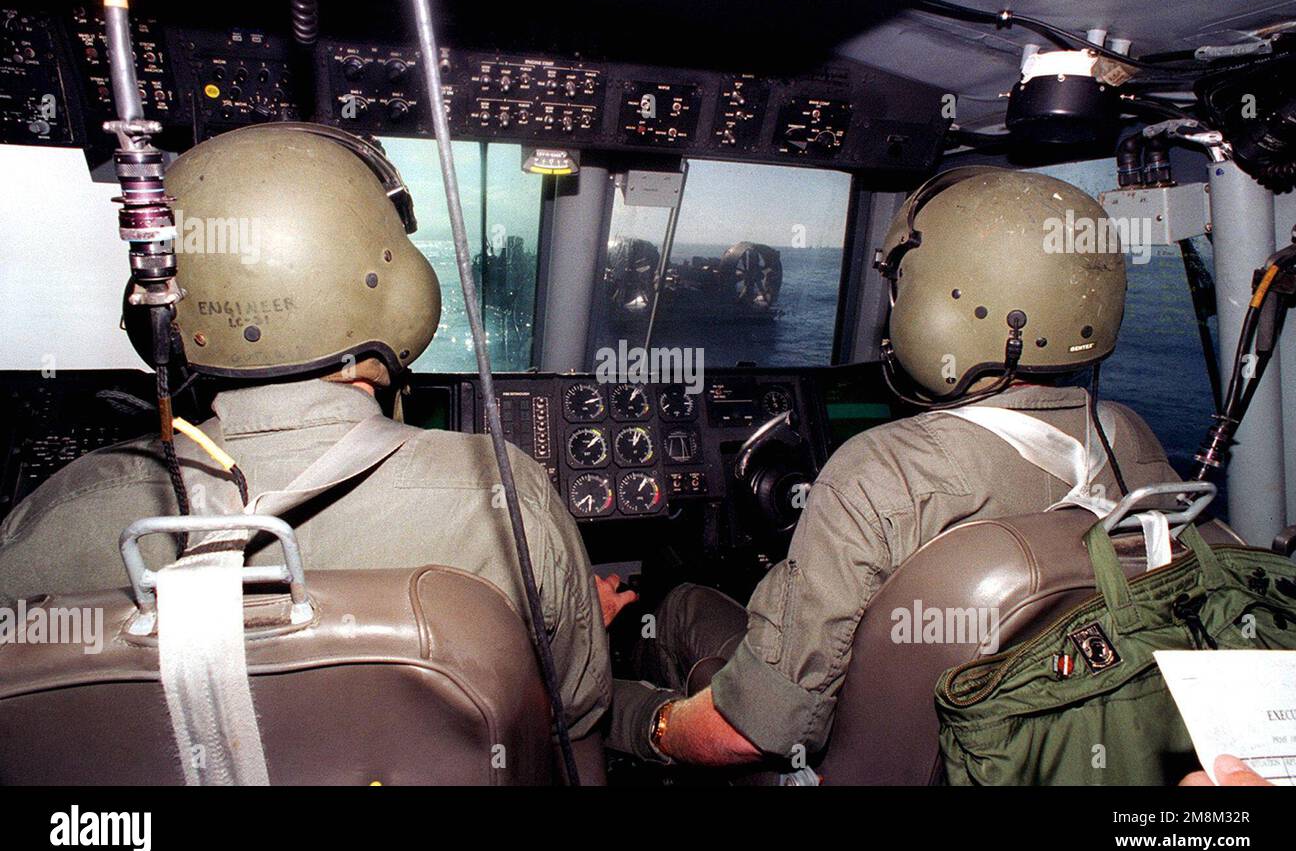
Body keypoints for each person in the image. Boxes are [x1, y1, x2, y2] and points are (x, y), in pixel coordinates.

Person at [0, 122, 611, 743]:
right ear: (400, 292)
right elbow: (574, 712)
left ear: (160, 316)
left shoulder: (45, 523)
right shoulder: (505, 503)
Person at [610, 167, 1182, 767]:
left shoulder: (881, 473)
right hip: (1039, 750)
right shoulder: (1133, 443)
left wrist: (633, 719)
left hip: (855, 760)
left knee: (679, 608)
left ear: (942, 302)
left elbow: (752, 735)